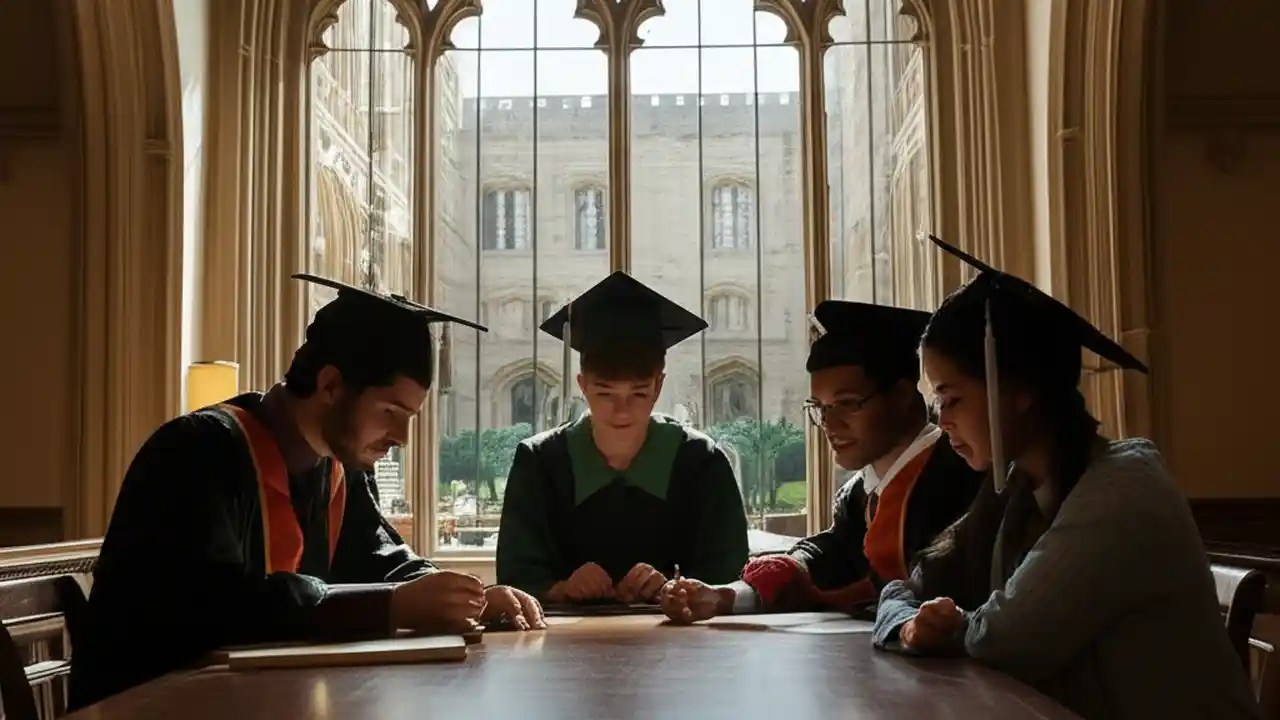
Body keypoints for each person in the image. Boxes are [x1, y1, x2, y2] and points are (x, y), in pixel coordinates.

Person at [70, 275, 545, 710]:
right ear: (331, 385)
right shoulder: (198, 452)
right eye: (389, 411)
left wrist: (466, 596)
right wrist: (392, 605)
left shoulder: (339, 467)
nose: (401, 437)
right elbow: (220, 606)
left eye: (410, 417)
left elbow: (379, 561)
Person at [871, 237, 1259, 719]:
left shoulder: (1122, 489)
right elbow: (903, 589)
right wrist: (910, 625)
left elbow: (1006, 640)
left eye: (952, 398)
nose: (941, 420)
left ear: (1020, 390)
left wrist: (940, 627)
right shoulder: (1013, 490)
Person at [659, 300, 982, 623]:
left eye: (846, 404)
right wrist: (726, 597)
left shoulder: (960, 475)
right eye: (820, 408)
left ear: (902, 398)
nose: (829, 423)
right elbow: (831, 556)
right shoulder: (860, 495)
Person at [495, 272, 750, 605]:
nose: (621, 411)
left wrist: (673, 589)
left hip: (678, 646)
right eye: (605, 393)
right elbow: (515, 579)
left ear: (658, 386)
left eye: (639, 393)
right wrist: (563, 588)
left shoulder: (700, 461)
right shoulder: (541, 461)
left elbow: (727, 577)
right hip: (564, 649)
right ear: (582, 384)